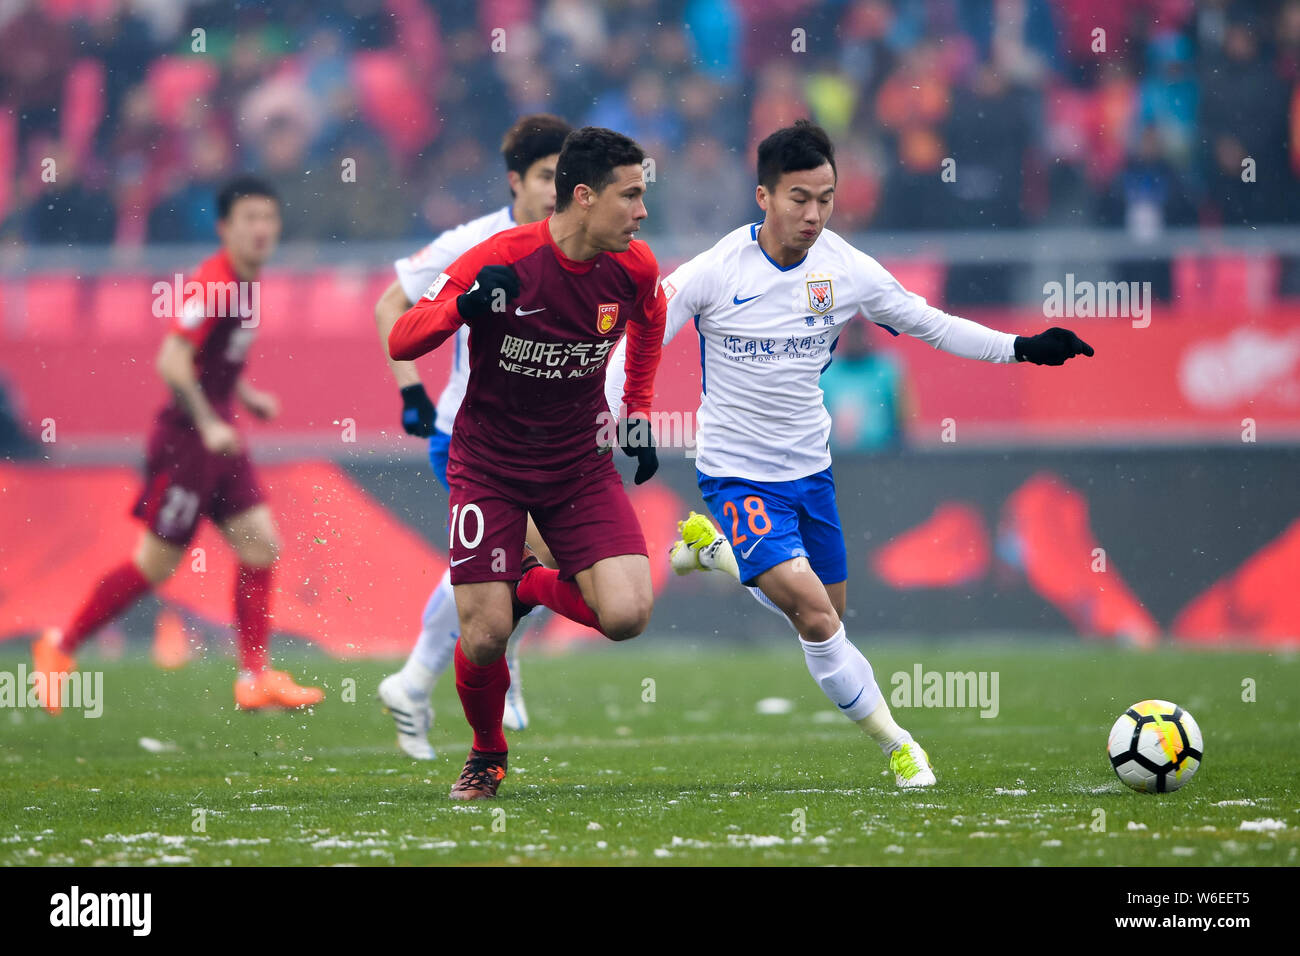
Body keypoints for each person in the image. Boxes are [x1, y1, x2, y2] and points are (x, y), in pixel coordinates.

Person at [650, 121, 1093, 787]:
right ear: (763, 195)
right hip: (735, 472)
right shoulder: (714, 272)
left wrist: (1021, 346)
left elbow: (931, 324)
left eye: (826, 197)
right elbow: (640, 334)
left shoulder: (846, 269)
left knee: (826, 610)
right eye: (800, 198)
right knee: (819, 620)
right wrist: (613, 413)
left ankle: (714, 553)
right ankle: (899, 746)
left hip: (811, 473)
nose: (814, 213)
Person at [388, 127, 666, 800]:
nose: (642, 210)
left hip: (578, 468)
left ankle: (528, 582)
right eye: (631, 195)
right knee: (483, 640)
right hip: (488, 466)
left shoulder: (634, 269)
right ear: (584, 196)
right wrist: (465, 306)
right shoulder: (502, 256)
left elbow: (651, 323)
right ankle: (487, 753)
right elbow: (403, 332)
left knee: (627, 616)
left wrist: (636, 411)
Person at [33, 176, 323, 713]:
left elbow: (211, 359)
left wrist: (244, 393)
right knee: (156, 564)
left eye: (268, 218)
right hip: (188, 443)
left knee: (261, 545)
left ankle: (253, 677)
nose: (261, 229)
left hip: (219, 437)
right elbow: (170, 360)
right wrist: (209, 421)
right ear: (225, 228)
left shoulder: (245, 282)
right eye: (249, 219)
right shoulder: (215, 283)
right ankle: (60, 646)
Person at [372, 114, 572, 759]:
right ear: (516, 180)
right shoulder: (475, 240)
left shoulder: (578, 239)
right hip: (469, 434)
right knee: (536, 556)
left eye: (565, 177)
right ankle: (478, 675)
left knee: (498, 564)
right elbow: (390, 306)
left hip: (544, 440)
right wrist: (410, 393)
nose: (557, 189)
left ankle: (418, 681)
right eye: (546, 177)